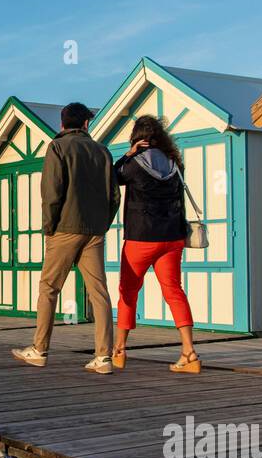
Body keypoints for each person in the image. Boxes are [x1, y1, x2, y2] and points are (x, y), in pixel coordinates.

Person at [12, 102, 118, 374]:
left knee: (49, 288)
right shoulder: (102, 151)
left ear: (62, 124)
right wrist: (101, 224)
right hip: (94, 230)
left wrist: (49, 228)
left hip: (65, 229)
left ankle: (39, 349)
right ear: (85, 124)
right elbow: (114, 196)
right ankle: (104, 357)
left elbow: (51, 192)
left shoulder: (57, 148)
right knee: (99, 293)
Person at [112, 115, 199, 374]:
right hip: (171, 238)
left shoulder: (135, 164)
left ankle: (119, 350)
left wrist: (128, 154)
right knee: (174, 291)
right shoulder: (174, 164)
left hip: (141, 238)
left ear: (137, 138)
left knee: (128, 291)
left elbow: (115, 177)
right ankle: (189, 352)